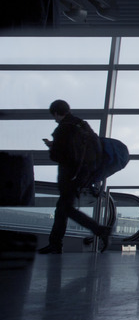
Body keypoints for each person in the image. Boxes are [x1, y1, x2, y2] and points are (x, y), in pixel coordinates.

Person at [38, 99, 111, 254]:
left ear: (56, 113)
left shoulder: (63, 129)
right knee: (61, 208)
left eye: (54, 116)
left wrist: (52, 147)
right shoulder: (83, 125)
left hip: (69, 176)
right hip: (83, 175)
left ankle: (99, 230)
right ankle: (55, 243)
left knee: (66, 208)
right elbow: (94, 149)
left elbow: (57, 156)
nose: (54, 119)